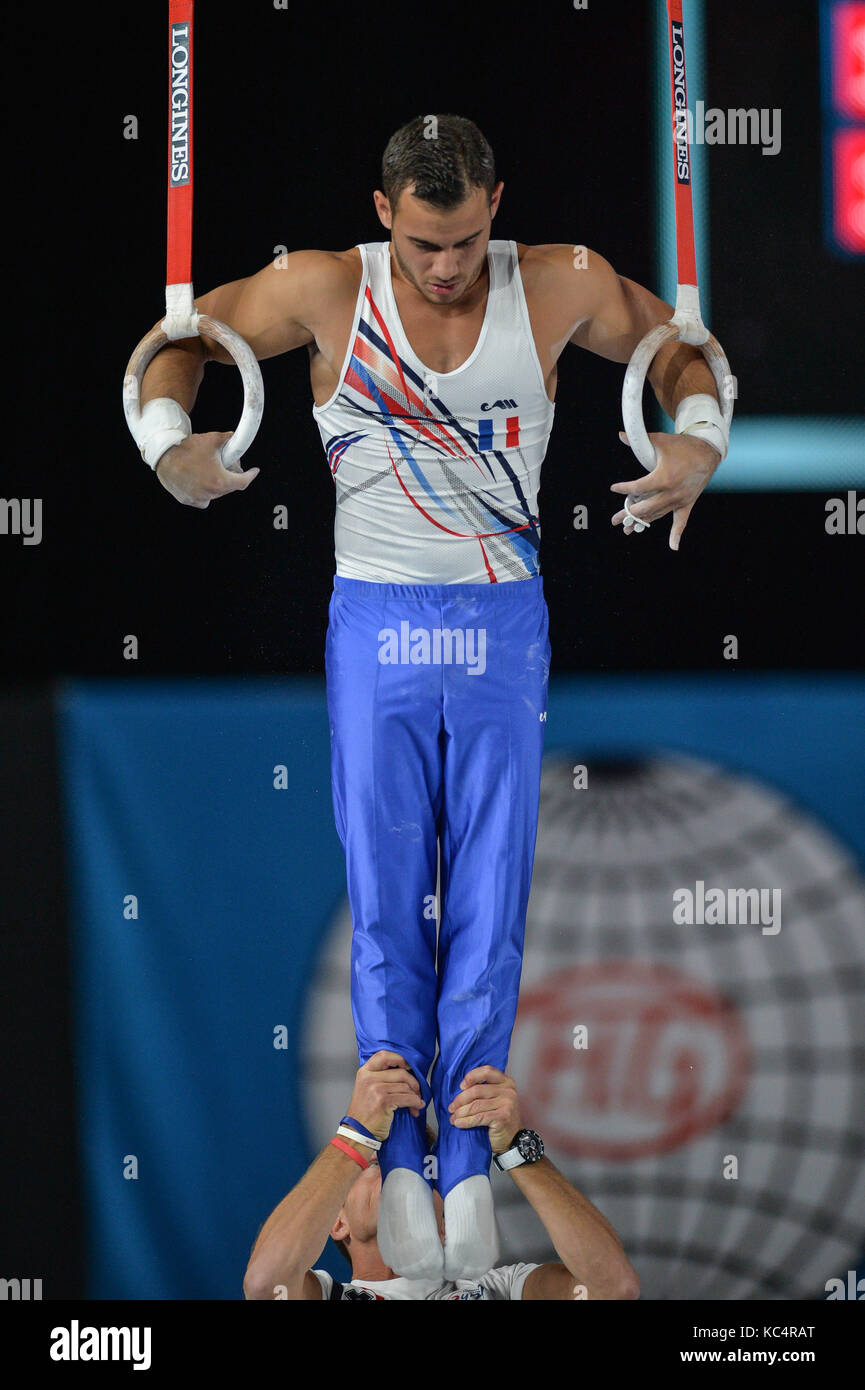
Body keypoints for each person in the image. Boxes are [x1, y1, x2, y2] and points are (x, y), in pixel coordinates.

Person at [133, 114, 726, 1282]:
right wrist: (167, 443)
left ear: (494, 205)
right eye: (420, 246)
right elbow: (178, 339)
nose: (444, 270)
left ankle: (465, 1160)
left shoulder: (558, 285)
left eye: (460, 243)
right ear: (382, 213)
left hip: (503, 621)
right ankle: (398, 1154)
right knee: (389, 890)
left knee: (492, 891)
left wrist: (699, 434)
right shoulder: (320, 289)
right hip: (378, 623)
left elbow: (683, 348)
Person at [241, 1053, 641, 1301]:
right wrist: (356, 1135)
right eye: (377, 1162)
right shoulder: (328, 1296)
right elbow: (264, 1284)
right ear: (337, 1221)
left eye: (423, 1171)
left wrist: (516, 1150)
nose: (405, 1174)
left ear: (448, 1220)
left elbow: (612, 1289)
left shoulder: (501, 1290)